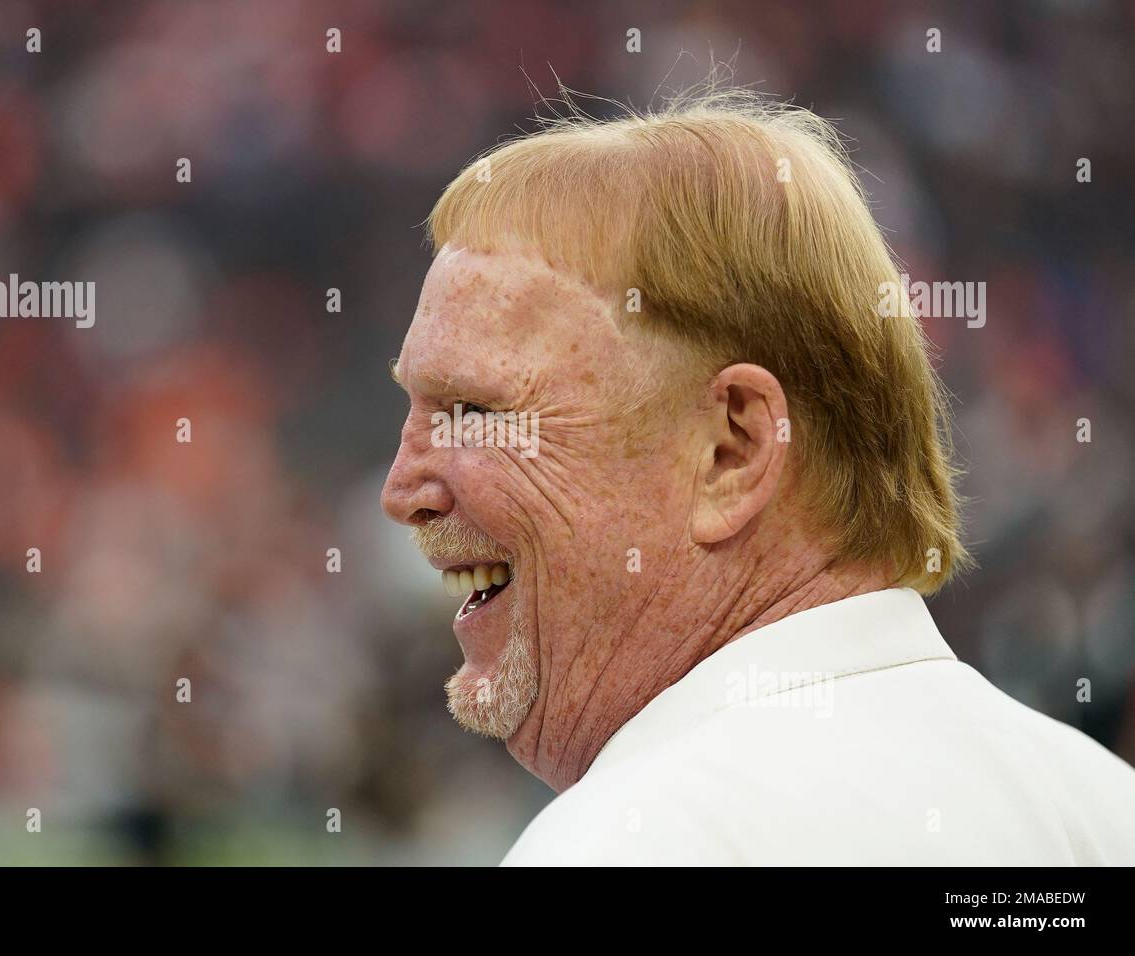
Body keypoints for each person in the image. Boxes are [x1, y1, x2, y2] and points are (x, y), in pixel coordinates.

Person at [381, 91, 1135, 864]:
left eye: (473, 411)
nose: (402, 491)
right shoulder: (1106, 807)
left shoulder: (633, 839)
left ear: (733, 448)